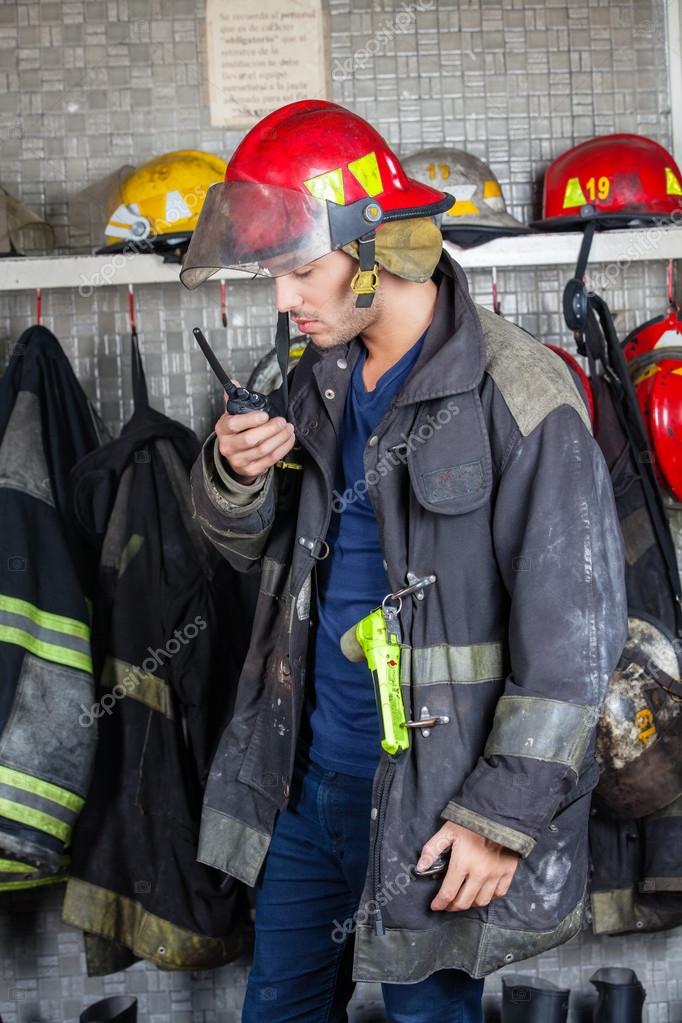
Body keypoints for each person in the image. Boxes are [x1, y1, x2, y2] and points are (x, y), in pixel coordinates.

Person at [182, 100, 628, 1023]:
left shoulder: (521, 394)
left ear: (376, 250)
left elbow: (578, 642)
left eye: (302, 269)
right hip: (308, 791)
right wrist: (234, 474)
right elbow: (244, 555)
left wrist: (501, 817)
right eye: (274, 273)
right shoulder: (313, 378)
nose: (284, 299)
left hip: (439, 809)